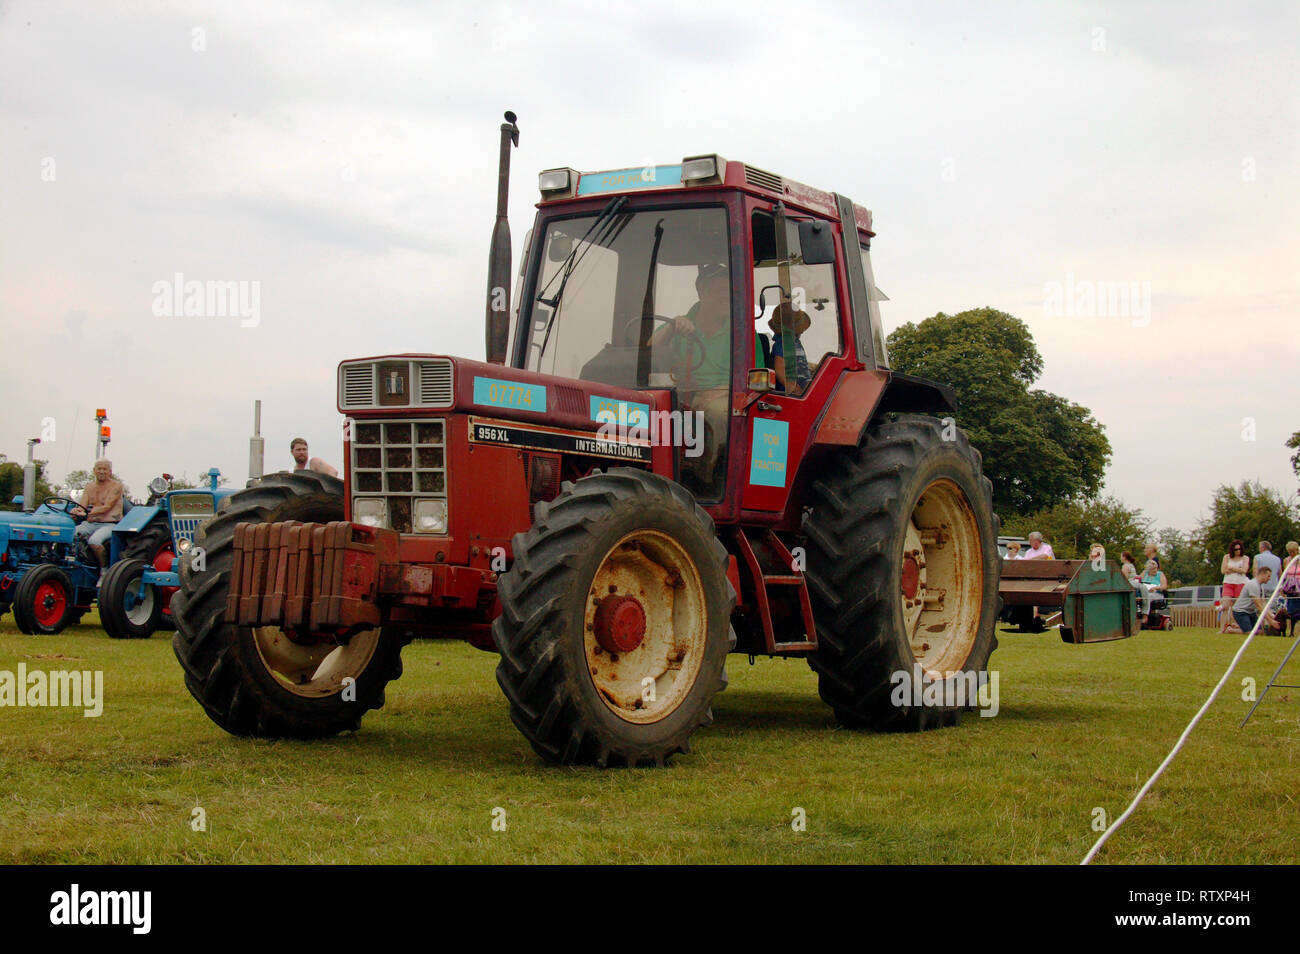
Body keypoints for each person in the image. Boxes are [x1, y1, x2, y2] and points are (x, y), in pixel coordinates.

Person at [648, 264, 732, 493]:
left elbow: (753, 379)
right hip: (683, 397)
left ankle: (703, 485)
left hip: (725, 398)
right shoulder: (681, 324)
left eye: (729, 291)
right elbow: (644, 355)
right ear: (703, 292)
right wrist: (672, 328)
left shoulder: (742, 331)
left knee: (717, 412)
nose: (728, 297)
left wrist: (711, 394)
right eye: (721, 290)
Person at [71, 459, 124, 577]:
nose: (101, 471)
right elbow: (82, 507)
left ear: (110, 472)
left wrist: (87, 514)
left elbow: (107, 507)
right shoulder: (89, 487)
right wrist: (76, 510)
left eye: (104, 469)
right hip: (90, 524)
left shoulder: (116, 486)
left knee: (94, 541)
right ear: (94, 471)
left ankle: (104, 570)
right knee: (69, 534)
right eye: (99, 469)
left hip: (109, 524)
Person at [768, 302, 812, 395]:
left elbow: (796, 360)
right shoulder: (784, 342)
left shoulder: (792, 341)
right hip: (794, 393)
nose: (803, 332)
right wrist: (793, 388)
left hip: (804, 387)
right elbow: (779, 367)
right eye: (801, 329)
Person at [1218, 539, 1250, 633]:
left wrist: (1231, 568)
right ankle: (1222, 629)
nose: (1238, 551)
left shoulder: (1245, 558)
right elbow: (1223, 570)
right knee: (1225, 606)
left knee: (1237, 607)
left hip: (1240, 583)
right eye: (1236, 549)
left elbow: (1244, 570)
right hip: (1228, 583)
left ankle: (1236, 627)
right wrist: (1237, 569)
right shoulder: (1226, 557)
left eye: (1239, 549)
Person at [1231, 565, 1272, 635]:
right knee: (1250, 633)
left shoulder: (1260, 586)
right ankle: (1230, 630)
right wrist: (1270, 621)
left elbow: (1263, 602)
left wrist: (1271, 614)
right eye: (1268, 576)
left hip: (1251, 612)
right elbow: (1258, 605)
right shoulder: (1253, 585)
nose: (1269, 578)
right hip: (1241, 612)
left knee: (1260, 633)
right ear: (1262, 574)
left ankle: (1239, 627)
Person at [1279, 541, 1300, 637]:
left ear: (1297, 550)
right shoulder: (1286, 560)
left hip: (1299, 587)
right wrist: (1282, 588)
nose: (1291, 554)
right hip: (1290, 588)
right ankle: (1291, 632)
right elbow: (1284, 575)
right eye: (1290, 552)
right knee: (1291, 611)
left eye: (1293, 552)